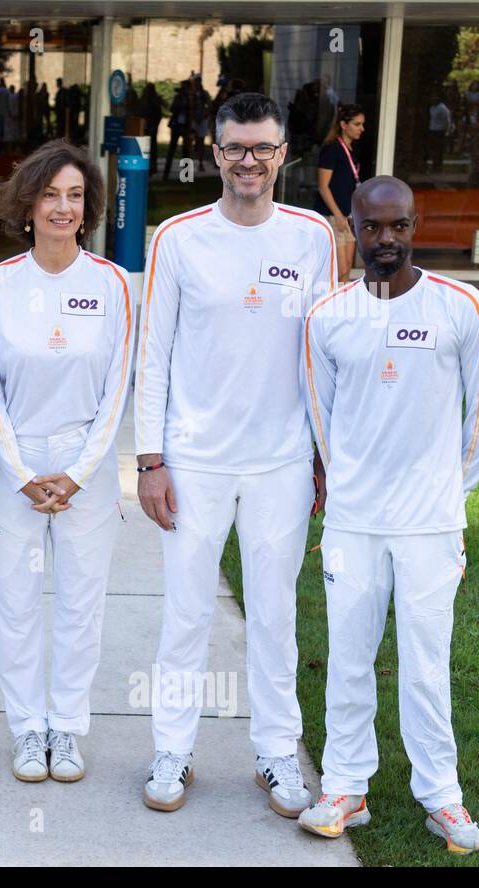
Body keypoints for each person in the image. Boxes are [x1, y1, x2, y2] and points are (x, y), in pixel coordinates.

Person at [133, 93, 336, 817]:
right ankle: (172, 750)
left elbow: (325, 353)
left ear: (283, 155)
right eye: (236, 148)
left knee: (275, 615)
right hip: (194, 462)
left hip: (282, 461)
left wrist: (324, 456)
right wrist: (149, 462)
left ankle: (277, 753)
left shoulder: (313, 236)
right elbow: (152, 355)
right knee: (186, 613)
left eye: (263, 148)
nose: (249, 161)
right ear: (215, 153)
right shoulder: (178, 238)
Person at [298, 176, 479, 854]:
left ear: (416, 225)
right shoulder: (328, 316)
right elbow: (323, 418)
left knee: (425, 664)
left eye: (399, 225)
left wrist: (449, 495)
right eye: (372, 226)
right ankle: (344, 789)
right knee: (349, 657)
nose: (386, 239)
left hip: (430, 525)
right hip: (353, 523)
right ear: (353, 228)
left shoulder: (461, 307)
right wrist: (350, 489)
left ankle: (442, 797)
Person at [0, 139, 132, 783]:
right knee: (16, 606)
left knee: (79, 606)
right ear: (28, 205)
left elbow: (118, 387)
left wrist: (77, 473)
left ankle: (65, 728)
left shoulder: (112, 283)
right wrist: (21, 473)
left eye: (74, 195)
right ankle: (26, 729)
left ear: (87, 206)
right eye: (49, 194)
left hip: (84, 466)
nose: (62, 207)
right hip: (12, 463)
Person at [314, 104, 366, 280]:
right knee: (339, 269)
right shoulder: (331, 149)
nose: (362, 129)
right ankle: (330, 297)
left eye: (362, 124)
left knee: (347, 268)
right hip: (332, 216)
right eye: (357, 124)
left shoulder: (353, 150)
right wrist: (338, 215)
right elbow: (323, 186)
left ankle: (342, 298)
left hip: (347, 216)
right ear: (344, 125)